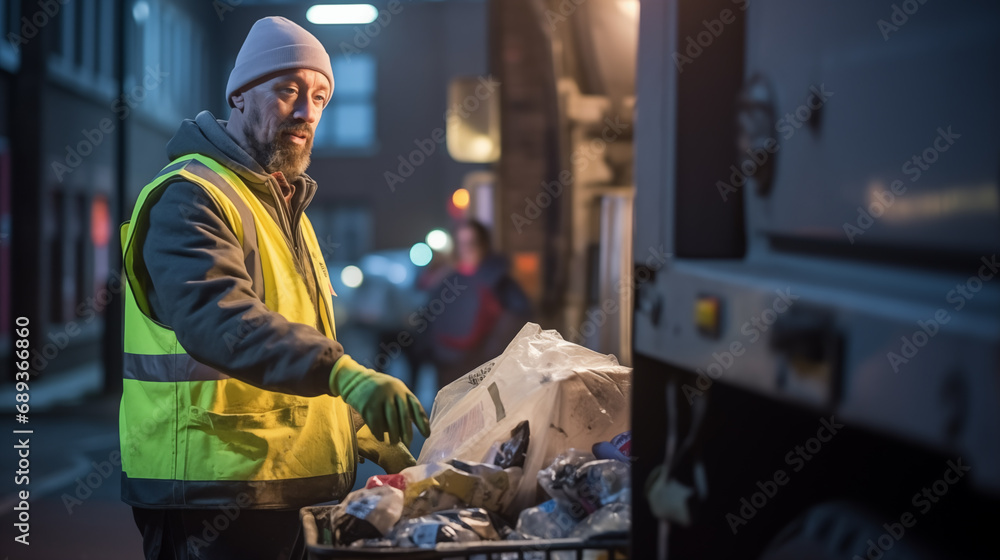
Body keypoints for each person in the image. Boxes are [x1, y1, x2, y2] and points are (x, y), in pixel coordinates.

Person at [118, 17, 429, 559]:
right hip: (211, 496)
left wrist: (357, 426)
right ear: (239, 95)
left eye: (321, 97)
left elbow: (293, 336)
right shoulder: (192, 196)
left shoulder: (285, 209)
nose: (307, 113)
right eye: (288, 91)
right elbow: (218, 317)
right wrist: (342, 373)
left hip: (281, 493)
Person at [424, 220, 533, 386]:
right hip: (448, 367)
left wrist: (492, 355)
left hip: (485, 370)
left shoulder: (499, 281)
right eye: (462, 243)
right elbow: (430, 320)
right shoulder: (446, 280)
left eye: (472, 243)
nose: (467, 249)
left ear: (483, 244)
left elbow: (518, 317)